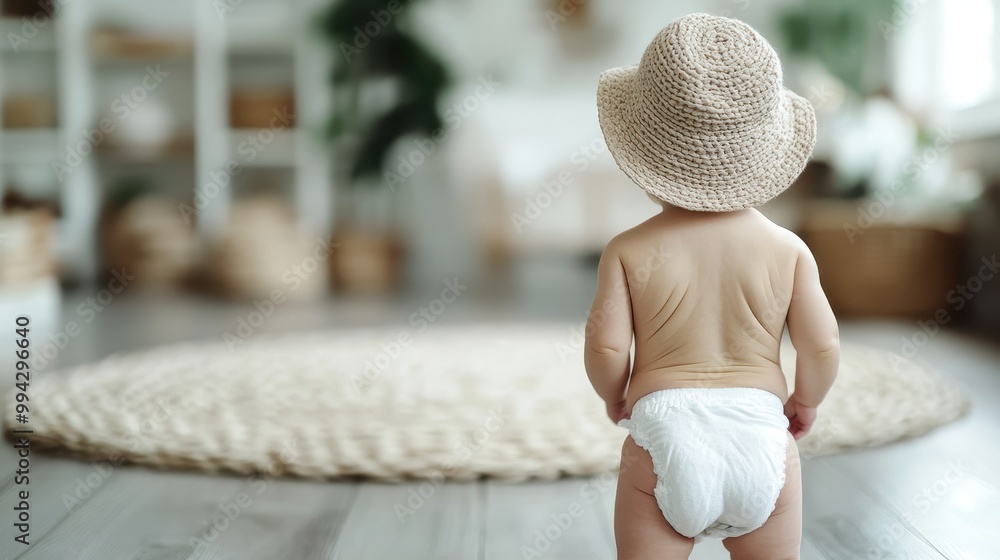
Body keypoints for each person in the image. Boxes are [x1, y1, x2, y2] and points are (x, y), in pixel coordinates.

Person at [584, 13, 840, 560]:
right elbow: (821, 345)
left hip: (662, 435)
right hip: (764, 438)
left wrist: (615, 394)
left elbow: (606, 347)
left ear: (645, 153)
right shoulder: (789, 250)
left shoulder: (627, 250)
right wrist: (806, 400)